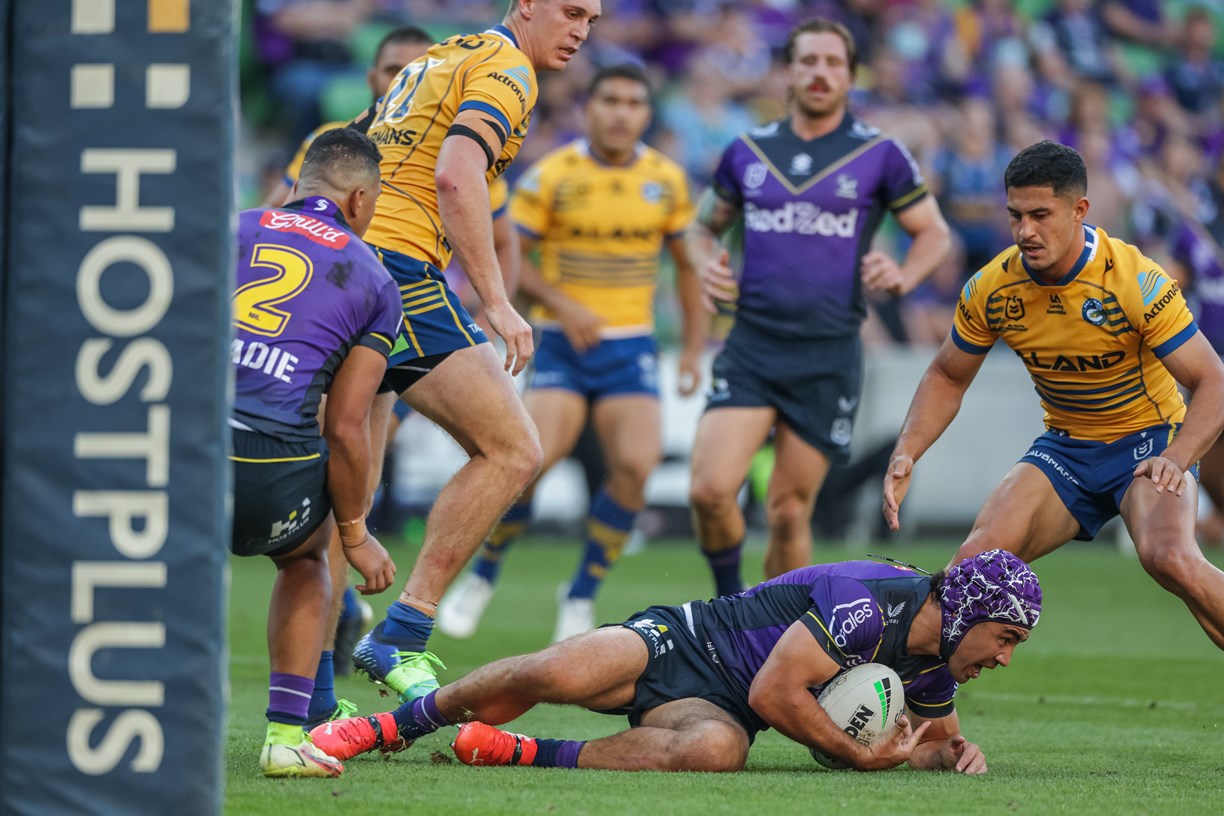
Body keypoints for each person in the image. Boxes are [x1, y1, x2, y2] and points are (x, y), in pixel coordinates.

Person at [348, 0, 602, 705]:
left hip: (344, 263)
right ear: (525, 6)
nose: (581, 30)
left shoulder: (438, 56)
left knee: (350, 474)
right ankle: (401, 631)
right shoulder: (507, 68)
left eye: (593, 19)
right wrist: (494, 301)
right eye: (570, 11)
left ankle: (304, 690)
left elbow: (345, 151)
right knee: (514, 449)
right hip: (397, 271)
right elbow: (458, 175)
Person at [884, 140, 1224, 651]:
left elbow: (1213, 378)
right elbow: (947, 377)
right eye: (1016, 215)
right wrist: (908, 450)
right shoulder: (993, 288)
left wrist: (1177, 456)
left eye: (1040, 215)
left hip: (1149, 441)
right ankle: (930, 730)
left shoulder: (1134, 279)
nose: (1025, 231)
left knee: (1169, 556)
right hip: (1066, 450)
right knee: (966, 574)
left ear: (1079, 210)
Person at [310, 549, 1040, 775]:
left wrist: (949, 756)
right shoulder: (866, 603)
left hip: (722, 706)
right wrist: (860, 755)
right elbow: (781, 692)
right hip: (686, 639)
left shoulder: (935, 667)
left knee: (718, 752)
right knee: (553, 674)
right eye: (1005, 639)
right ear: (968, 614)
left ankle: (516, 750)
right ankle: (388, 727)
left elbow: (928, 738)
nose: (1004, 658)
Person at [436, 63, 704, 643]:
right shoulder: (554, 175)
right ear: (590, 107)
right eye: (609, 99)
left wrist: (692, 349)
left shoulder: (667, 180)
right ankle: (484, 573)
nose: (620, 111)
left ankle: (580, 592)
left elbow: (687, 267)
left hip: (630, 342)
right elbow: (513, 257)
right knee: (531, 463)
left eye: (634, 102)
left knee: (635, 467)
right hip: (562, 339)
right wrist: (565, 304)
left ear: (646, 114)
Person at [686, 17, 951, 595]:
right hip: (752, 346)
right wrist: (707, 257)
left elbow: (934, 233)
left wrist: (903, 272)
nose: (820, 73)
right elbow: (700, 228)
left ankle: (765, 630)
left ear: (851, 75)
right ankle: (730, 603)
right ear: (788, 71)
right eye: (808, 61)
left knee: (786, 510)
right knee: (708, 490)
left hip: (828, 355)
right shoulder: (748, 151)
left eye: (833, 63)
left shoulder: (880, 154)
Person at [229, 128, 400, 778]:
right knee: (305, 560)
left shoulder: (235, 226)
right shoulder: (374, 277)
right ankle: (282, 737)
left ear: (300, 184)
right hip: (271, 469)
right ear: (359, 199)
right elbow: (348, 426)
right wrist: (355, 533)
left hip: (185, 452)